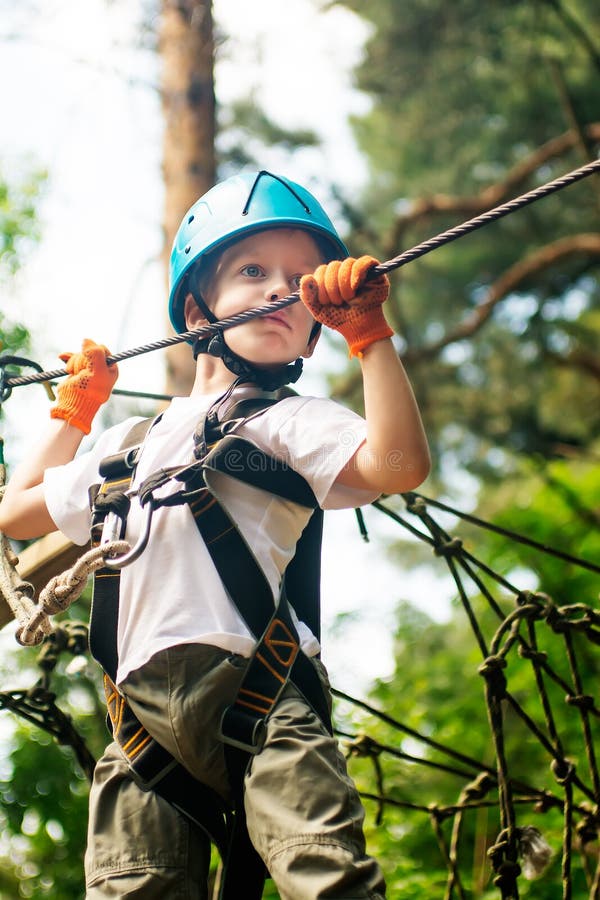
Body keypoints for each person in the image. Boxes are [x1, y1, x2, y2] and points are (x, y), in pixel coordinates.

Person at [0, 170, 430, 899]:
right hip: (138, 718)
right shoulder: (128, 443)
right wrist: (75, 411)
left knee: (326, 876)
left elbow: (398, 464)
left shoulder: (289, 419)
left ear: (312, 323)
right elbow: (14, 513)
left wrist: (370, 336)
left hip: (258, 692)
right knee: (131, 888)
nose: (278, 290)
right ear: (198, 312)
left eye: (299, 280)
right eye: (253, 271)